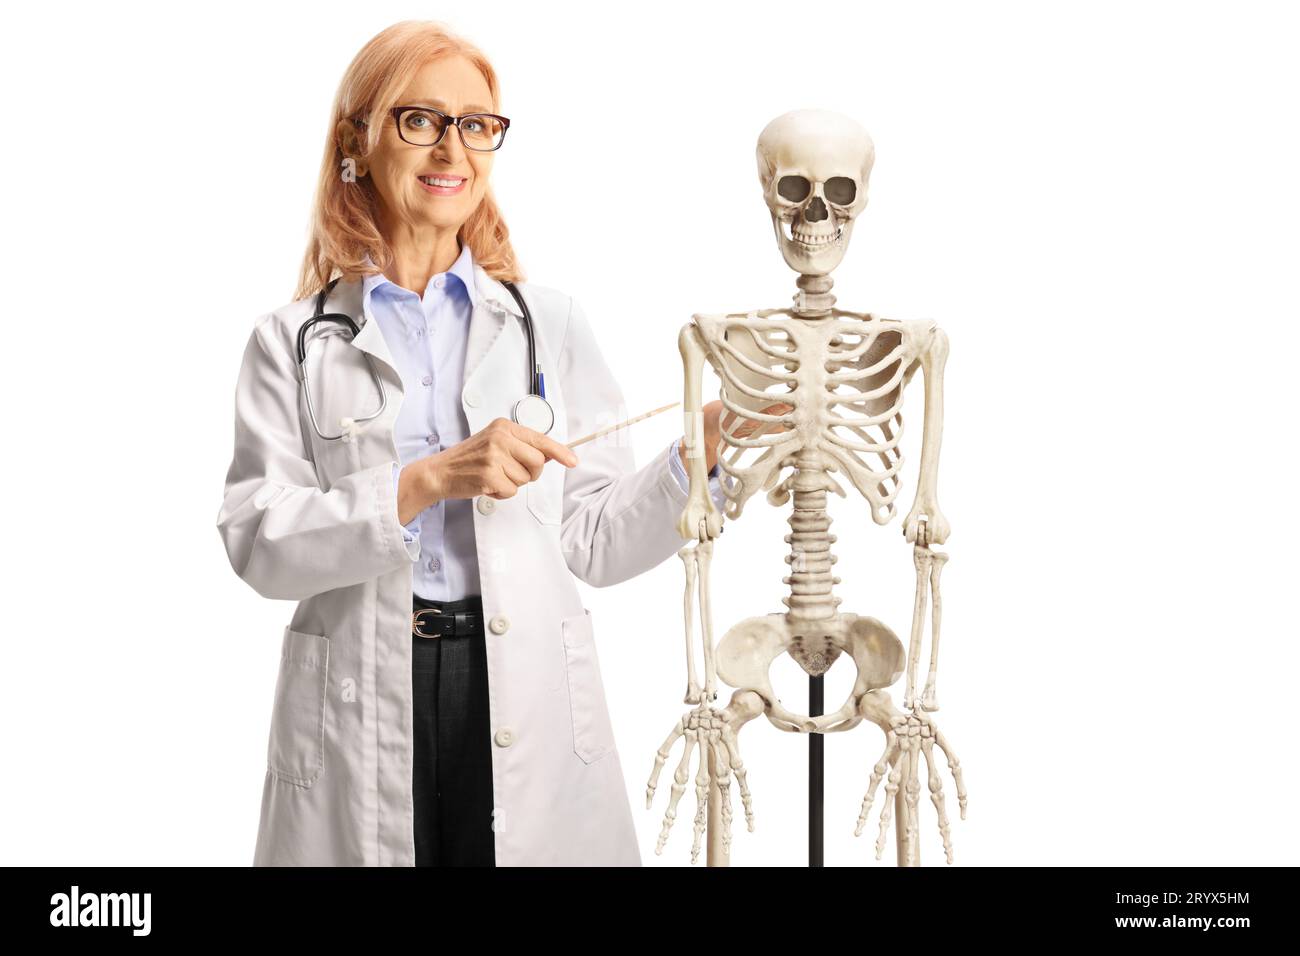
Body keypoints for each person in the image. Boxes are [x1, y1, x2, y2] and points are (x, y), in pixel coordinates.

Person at [216, 20, 740, 866]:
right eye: (419, 118)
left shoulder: (546, 324)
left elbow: (595, 538)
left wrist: (705, 450)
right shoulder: (292, 341)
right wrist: (424, 481)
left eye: (476, 124)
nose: (451, 145)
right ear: (359, 140)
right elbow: (257, 541)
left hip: (517, 681)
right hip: (363, 684)